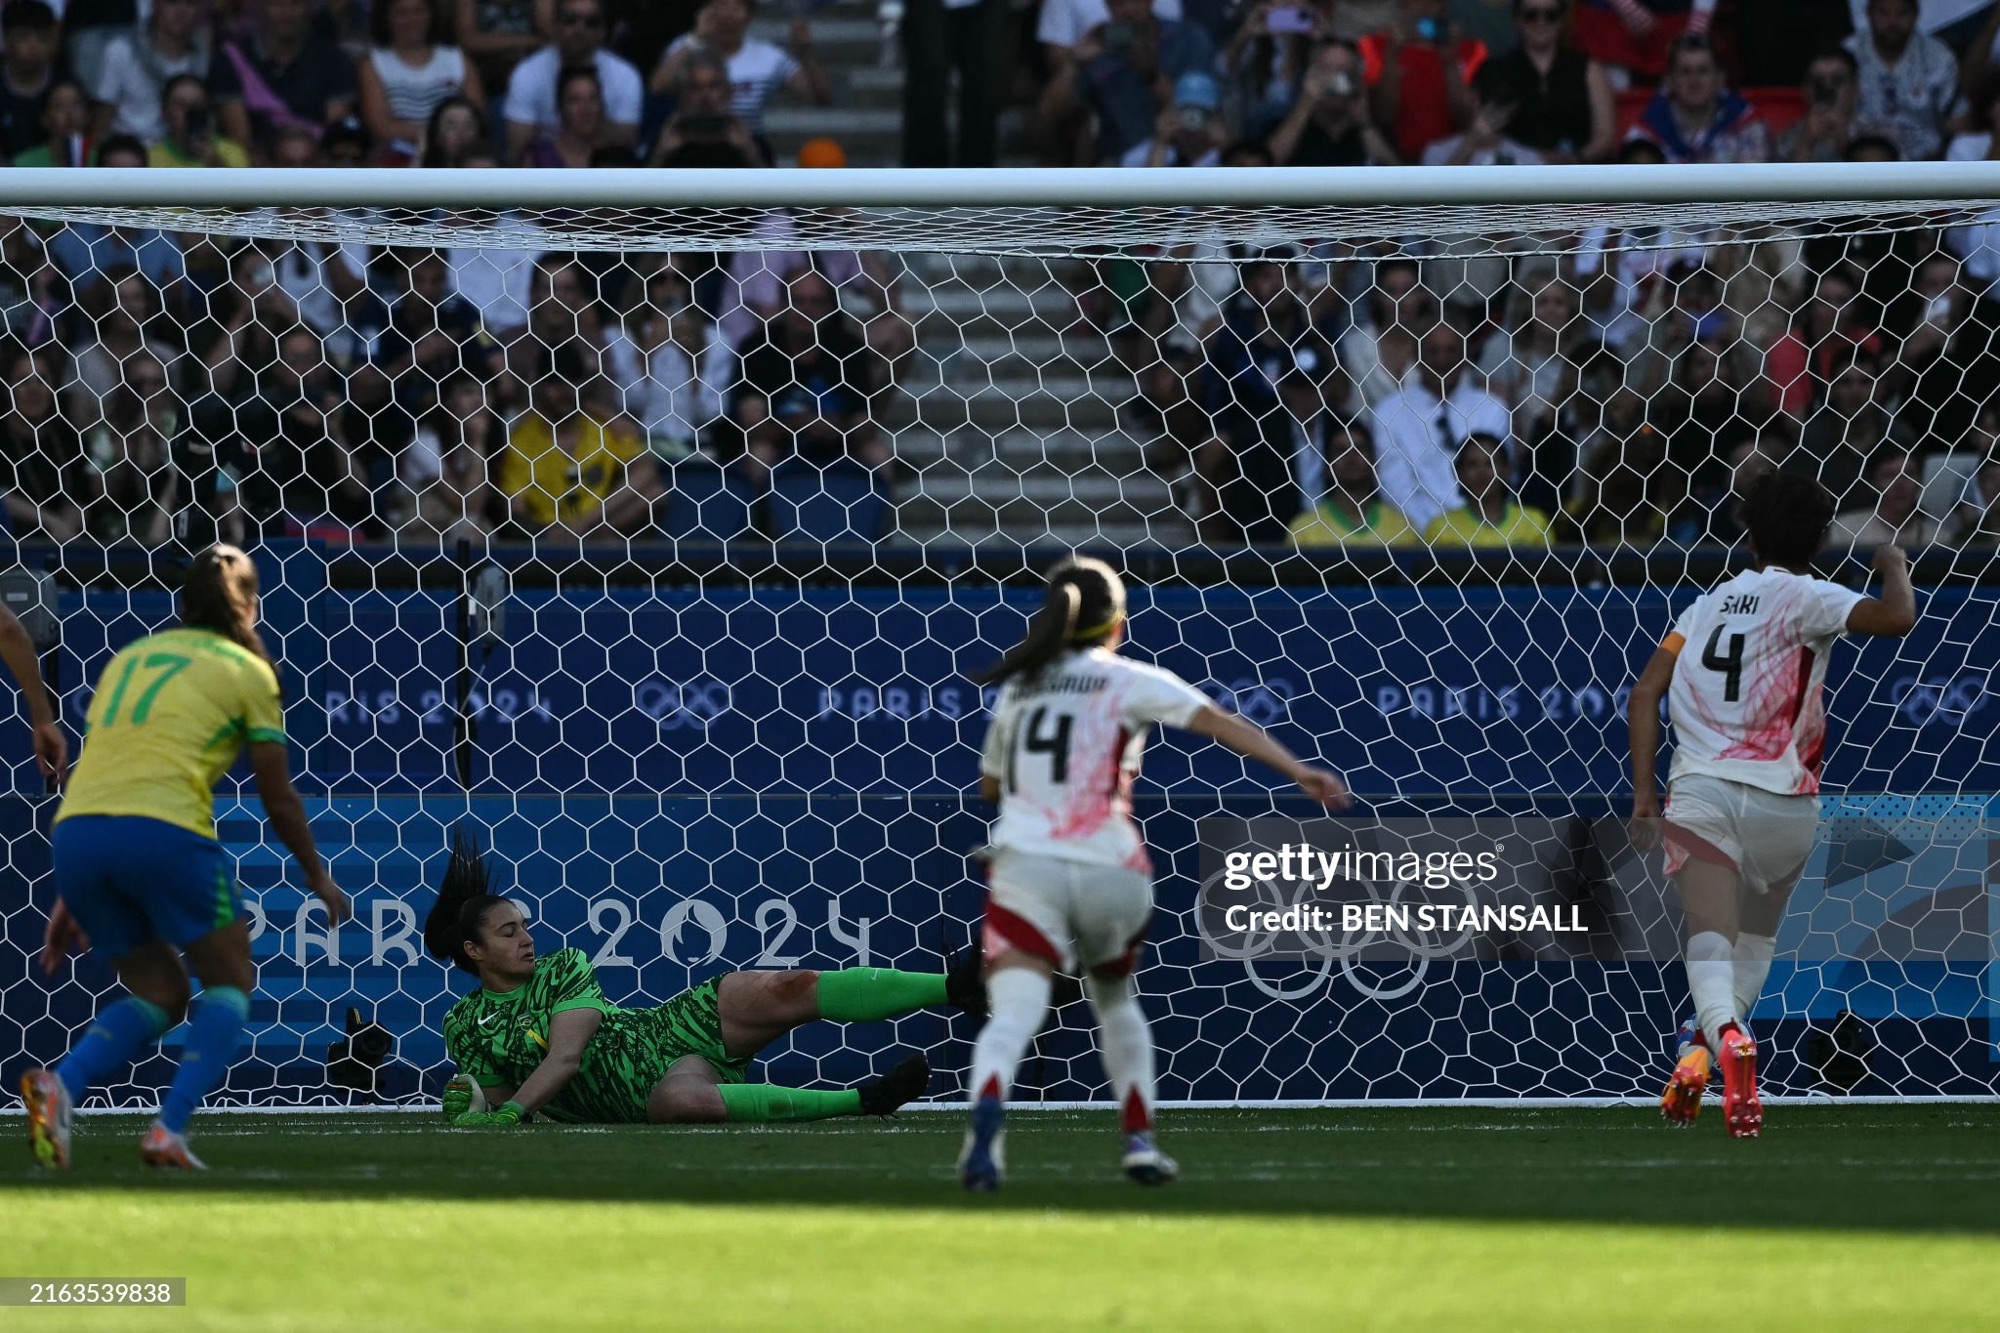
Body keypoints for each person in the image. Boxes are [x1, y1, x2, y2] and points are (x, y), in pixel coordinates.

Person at [959, 556, 1350, 1190]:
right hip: (1110, 863)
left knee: (1013, 1014)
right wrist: (1299, 770)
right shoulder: (1128, 679)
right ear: (1117, 622)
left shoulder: (1021, 687)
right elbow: (1220, 723)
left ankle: (987, 1133)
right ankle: (1139, 1142)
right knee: (1114, 1000)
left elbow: (990, 786)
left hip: (1028, 865)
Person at [23, 544, 347, 1171]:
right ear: (249, 604)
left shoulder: (130, 659)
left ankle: (63, 1084)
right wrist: (317, 875)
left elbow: (113, 773)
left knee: (162, 992)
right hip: (168, 831)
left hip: (79, 834)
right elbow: (277, 797)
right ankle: (168, 1130)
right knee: (229, 981)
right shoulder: (248, 672)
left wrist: (77, 889)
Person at [1627, 472, 1916, 1138]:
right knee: (1753, 937)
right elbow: (1897, 617)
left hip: (1701, 793)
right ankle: (1701, 1049)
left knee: (1708, 933)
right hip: (1786, 805)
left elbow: (1646, 693)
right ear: (1820, 539)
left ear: (1748, 536)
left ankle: (1724, 1033)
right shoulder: (1811, 596)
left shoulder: (1698, 612)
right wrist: (1894, 562)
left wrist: (1645, 795)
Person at [430, 827, 978, 1127]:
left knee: (773, 987)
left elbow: (565, 1057)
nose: (526, 937)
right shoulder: (464, 1022)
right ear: (474, 950)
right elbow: (506, 1105)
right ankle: (863, 1101)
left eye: (524, 926)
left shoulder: (562, 966)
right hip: (642, 1097)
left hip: (666, 1034)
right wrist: (473, 1107)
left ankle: (956, 987)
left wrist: (507, 1113)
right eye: (508, 932)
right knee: (683, 1107)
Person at [1366, 315, 1510, 533]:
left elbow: (1498, 477)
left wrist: (1468, 528)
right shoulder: (1389, 412)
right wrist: (1438, 532)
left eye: (1451, 350)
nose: (1442, 359)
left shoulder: (1492, 408)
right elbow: (1395, 486)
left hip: (1487, 533)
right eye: (1433, 351)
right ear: (1416, 357)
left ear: (1465, 355)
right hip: (1417, 538)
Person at [651, 0, 830, 145]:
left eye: (737, 6)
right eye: (721, 5)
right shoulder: (685, 47)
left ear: (749, 16)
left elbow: (820, 98)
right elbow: (657, 87)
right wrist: (696, 37)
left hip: (748, 146)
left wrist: (805, 52)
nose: (728, 15)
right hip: (691, 143)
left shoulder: (769, 57)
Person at [208, 0, 360, 159]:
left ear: (309, 7)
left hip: (315, 169)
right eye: (276, 4)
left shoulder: (334, 59)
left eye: (295, 4)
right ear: (261, 8)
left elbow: (334, 136)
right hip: (256, 170)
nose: (286, 13)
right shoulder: (231, 59)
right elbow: (241, 141)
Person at [503, 0, 641, 163]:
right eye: (570, 20)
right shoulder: (526, 73)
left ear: (602, 31)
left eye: (591, 22)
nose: (579, 29)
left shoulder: (626, 76)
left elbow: (626, 142)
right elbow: (519, 150)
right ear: (555, 26)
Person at [1478, 0, 1615, 165]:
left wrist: (1574, 159)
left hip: (1578, 174)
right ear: (1517, 20)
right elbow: (1484, 132)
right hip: (1515, 176)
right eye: (1531, 15)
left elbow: (1604, 136)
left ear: (1562, 21)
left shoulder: (1589, 69)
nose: (1541, 22)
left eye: (1551, 15)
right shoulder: (1494, 70)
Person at [358, 0, 484, 160]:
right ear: (386, 18)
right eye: (401, 13)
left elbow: (478, 119)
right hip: (398, 159)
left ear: (431, 15)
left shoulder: (458, 60)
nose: (411, 20)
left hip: (455, 156)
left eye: (418, 12)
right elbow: (381, 128)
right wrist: (441, 133)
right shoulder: (373, 64)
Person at [1626, 34, 1770, 164]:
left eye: (1703, 71)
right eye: (1685, 71)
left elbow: (1754, 187)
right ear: (1669, 80)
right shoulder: (1647, 131)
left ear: (1720, 78)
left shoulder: (1746, 124)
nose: (1694, 80)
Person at [1845, 0, 1960, 162]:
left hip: (1923, 159)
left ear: (1916, 15)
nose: (1893, 22)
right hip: (1863, 154)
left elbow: (1953, 120)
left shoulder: (1939, 58)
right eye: (1884, 13)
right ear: (1869, 14)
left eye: (1902, 13)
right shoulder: (1849, 52)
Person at [1288, 416, 1418, 547]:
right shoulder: (1304, 530)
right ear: (1327, 467)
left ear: (1375, 463)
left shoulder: (1402, 528)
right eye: (1341, 450)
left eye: (1360, 449)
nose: (1351, 457)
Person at [91, 0, 209, 144]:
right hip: (129, 154)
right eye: (173, 3)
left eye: (190, 4)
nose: (181, 11)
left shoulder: (203, 59)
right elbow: (102, 120)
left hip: (180, 157)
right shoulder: (121, 51)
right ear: (155, 5)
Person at [1266, 37, 1397, 166]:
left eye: (1344, 72)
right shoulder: (1282, 125)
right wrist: (1305, 104)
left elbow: (1397, 179)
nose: (1334, 81)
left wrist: (1364, 123)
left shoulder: (1374, 130)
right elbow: (1265, 168)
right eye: (1326, 71)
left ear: (1357, 79)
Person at [1424, 432, 1553, 547]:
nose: (1482, 473)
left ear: (1506, 470)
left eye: (1490, 463)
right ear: (1459, 473)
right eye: (1472, 465)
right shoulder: (1442, 528)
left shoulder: (1534, 524)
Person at [1826, 445, 1935, 551]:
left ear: (1920, 480)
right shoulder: (1846, 530)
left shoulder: (1937, 539)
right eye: (1889, 476)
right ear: (1873, 483)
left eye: (1909, 474)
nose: (1900, 484)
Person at [0, 0, 67, 163]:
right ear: (7, 40)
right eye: (24, 37)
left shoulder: (65, 87)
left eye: (42, 37)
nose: (34, 45)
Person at [147, 74, 252, 167]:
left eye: (197, 104)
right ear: (165, 112)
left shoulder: (232, 153)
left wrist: (217, 165)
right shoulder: (149, 159)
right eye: (180, 104)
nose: (190, 111)